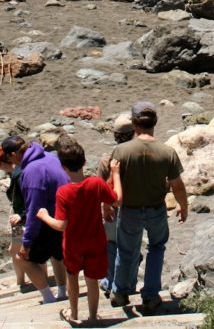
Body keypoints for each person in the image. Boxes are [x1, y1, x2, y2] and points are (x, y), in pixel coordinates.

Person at [110, 102, 189, 314]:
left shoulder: (121, 151)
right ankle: (151, 296)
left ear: (134, 124)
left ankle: (119, 291)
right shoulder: (167, 152)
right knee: (156, 248)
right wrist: (183, 206)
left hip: (129, 210)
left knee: (126, 250)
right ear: (155, 123)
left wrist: (106, 205)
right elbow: (177, 185)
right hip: (156, 209)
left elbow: (111, 183)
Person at [37, 139, 122, 325]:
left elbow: (61, 225)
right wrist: (115, 174)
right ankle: (92, 317)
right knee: (92, 281)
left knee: (72, 278)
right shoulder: (96, 183)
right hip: (95, 241)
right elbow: (118, 200)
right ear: (84, 162)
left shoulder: (63, 192)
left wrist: (44, 216)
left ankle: (74, 314)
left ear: (63, 166)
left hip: (73, 244)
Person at [13, 135, 70, 304]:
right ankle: (62, 292)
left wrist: (27, 242)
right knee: (57, 256)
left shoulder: (30, 171)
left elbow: (33, 209)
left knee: (21, 257)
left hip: (46, 220)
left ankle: (48, 297)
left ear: (14, 155)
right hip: (63, 216)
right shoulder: (50, 157)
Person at [94, 113, 135, 297]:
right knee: (131, 248)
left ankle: (110, 281)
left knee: (111, 246)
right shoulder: (136, 156)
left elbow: (99, 185)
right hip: (132, 207)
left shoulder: (106, 159)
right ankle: (130, 284)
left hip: (110, 208)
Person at [0, 140, 32, 291]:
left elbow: (27, 198)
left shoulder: (18, 174)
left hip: (21, 218)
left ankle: (22, 282)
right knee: (18, 249)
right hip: (22, 216)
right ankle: (22, 280)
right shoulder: (19, 171)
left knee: (16, 251)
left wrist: (22, 214)